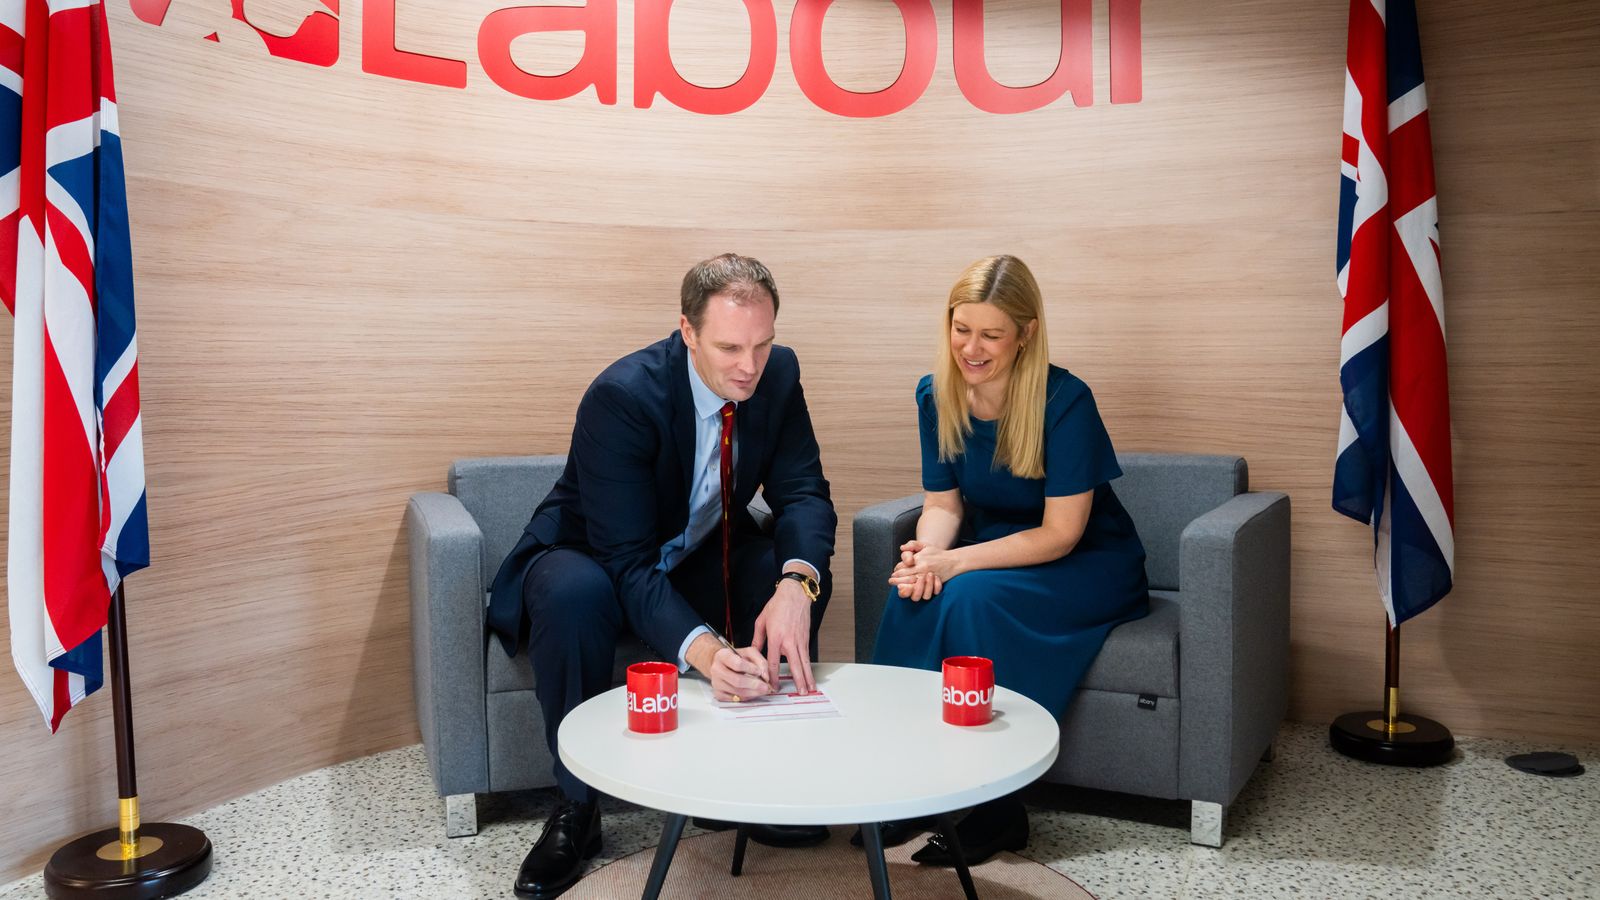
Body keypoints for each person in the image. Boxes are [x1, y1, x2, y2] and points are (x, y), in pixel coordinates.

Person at [487, 253, 837, 899]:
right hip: (590, 553)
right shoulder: (622, 396)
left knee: (785, 568)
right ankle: (576, 808)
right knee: (574, 594)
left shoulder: (778, 375)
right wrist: (706, 652)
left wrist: (797, 585)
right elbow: (626, 561)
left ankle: (751, 780)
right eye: (730, 347)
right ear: (687, 332)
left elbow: (804, 493)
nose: (749, 366)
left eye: (762, 344)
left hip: (693, 551)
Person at [867, 254, 1149, 866]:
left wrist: (959, 563)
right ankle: (905, 780)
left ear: (1024, 333)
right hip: (993, 548)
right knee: (911, 589)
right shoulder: (933, 393)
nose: (972, 347)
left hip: (1086, 561)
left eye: (991, 333)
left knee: (968, 593)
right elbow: (942, 504)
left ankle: (1000, 806)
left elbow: (1061, 534)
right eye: (961, 328)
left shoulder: (1065, 401)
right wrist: (931, 553)